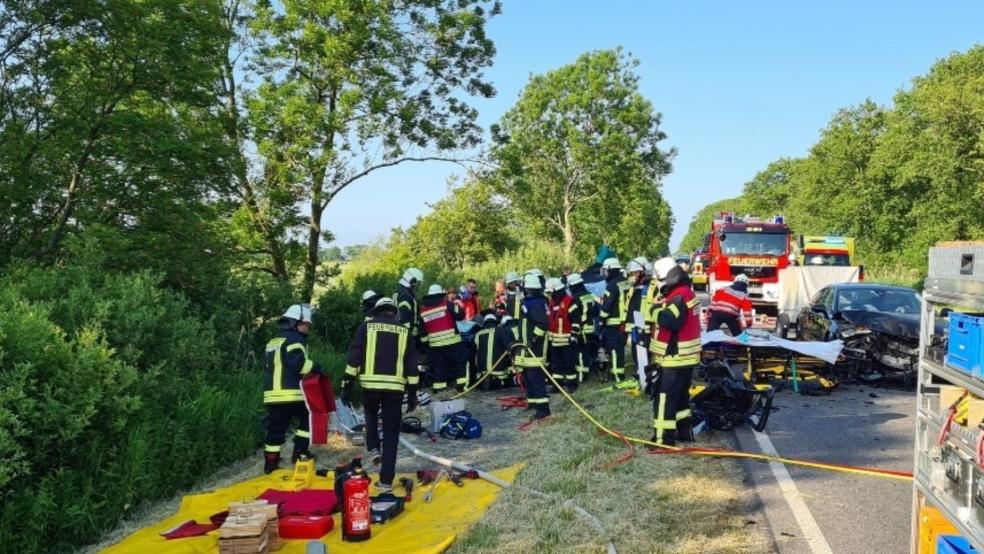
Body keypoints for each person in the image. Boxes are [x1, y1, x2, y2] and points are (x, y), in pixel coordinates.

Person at [341, 297, 419, 494]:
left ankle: (374, 447)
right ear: (394, 311)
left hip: (370, 387)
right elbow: (411, 365)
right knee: (392, 433)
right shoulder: (404, 330)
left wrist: (347, 385)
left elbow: (354, 356)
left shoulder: (366, 327)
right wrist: (412, 394)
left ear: (376, 311)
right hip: (395, 389)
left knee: (370, 415)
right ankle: (385, 481)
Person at [263, 304, 323, 474]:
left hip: (273, 395)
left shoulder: (273, 341)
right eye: (307, 324)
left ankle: (270, 464)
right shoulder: (295, 340)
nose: (308, 328)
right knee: (307, 419)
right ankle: (300, 453)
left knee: (275, 429)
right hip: (291, 393)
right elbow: (299, 364)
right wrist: (317, 367)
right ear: (295, 323)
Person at [648, 264, 702, 446]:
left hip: (674, 359)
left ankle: (663, 440)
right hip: (686, 358)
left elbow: (669, 321)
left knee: (664, 399)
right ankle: (685, 432)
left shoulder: (678, 296)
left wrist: (654, 309)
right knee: (680, 398)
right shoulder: (686, 292)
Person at [419, 284, 467, 394]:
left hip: (435, 345)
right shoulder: (447, 304)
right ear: (441, 294)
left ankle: (439, 389)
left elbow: (422, 332)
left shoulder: (422, 310)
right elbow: (460, 315)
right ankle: (461, 387)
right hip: (452, 342)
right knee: (459, 363)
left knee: (439, 367)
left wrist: (427, 344)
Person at [515, 274, 550, 419]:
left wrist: (534, 337)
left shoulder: (536, 305)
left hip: (535, 346)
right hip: (526, 345)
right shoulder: (531, 303)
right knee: (528, 376)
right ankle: (533, 403)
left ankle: (543, 409)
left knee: (536, 378)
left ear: (528, 289)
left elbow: (542, 324)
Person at [546, 277, 579, 393]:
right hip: (555, 341)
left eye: (551, 292)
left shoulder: (570, 301)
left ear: (556, 290)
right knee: (556, 365)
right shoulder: (552, 303)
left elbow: (576, 319)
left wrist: (574, 335)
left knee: (569, 363)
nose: (550, 295)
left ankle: (571, 385)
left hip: (567, 340)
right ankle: (557, 386)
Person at [598, 257, 627, 381]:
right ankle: (618, 372)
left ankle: (617, 375)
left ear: (611, 270)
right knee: (620, 349)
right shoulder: (625, 282)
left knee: (614, 351)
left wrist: (601, 321)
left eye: (606, 271)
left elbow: (607, 307)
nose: (605, 274)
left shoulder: (611, 285)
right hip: (625, 322)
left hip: (613, 323)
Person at [567, 272, 598, 382]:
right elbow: (594, 311)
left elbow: (574, 315)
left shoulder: (575, 298)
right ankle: (585, 375)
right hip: (590, 328)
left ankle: (581, 378)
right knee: (586, 352)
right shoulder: (588, 295)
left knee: (580, 353)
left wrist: (574, 333)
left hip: (581, 330)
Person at [474, 313, 509, 388]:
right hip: (499, 371)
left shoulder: (479, 334)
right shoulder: (502, 331)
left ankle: (486, 380)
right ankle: (495, 382)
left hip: (483, 372)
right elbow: (509, 347)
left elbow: (475, 350)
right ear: (495, 321)